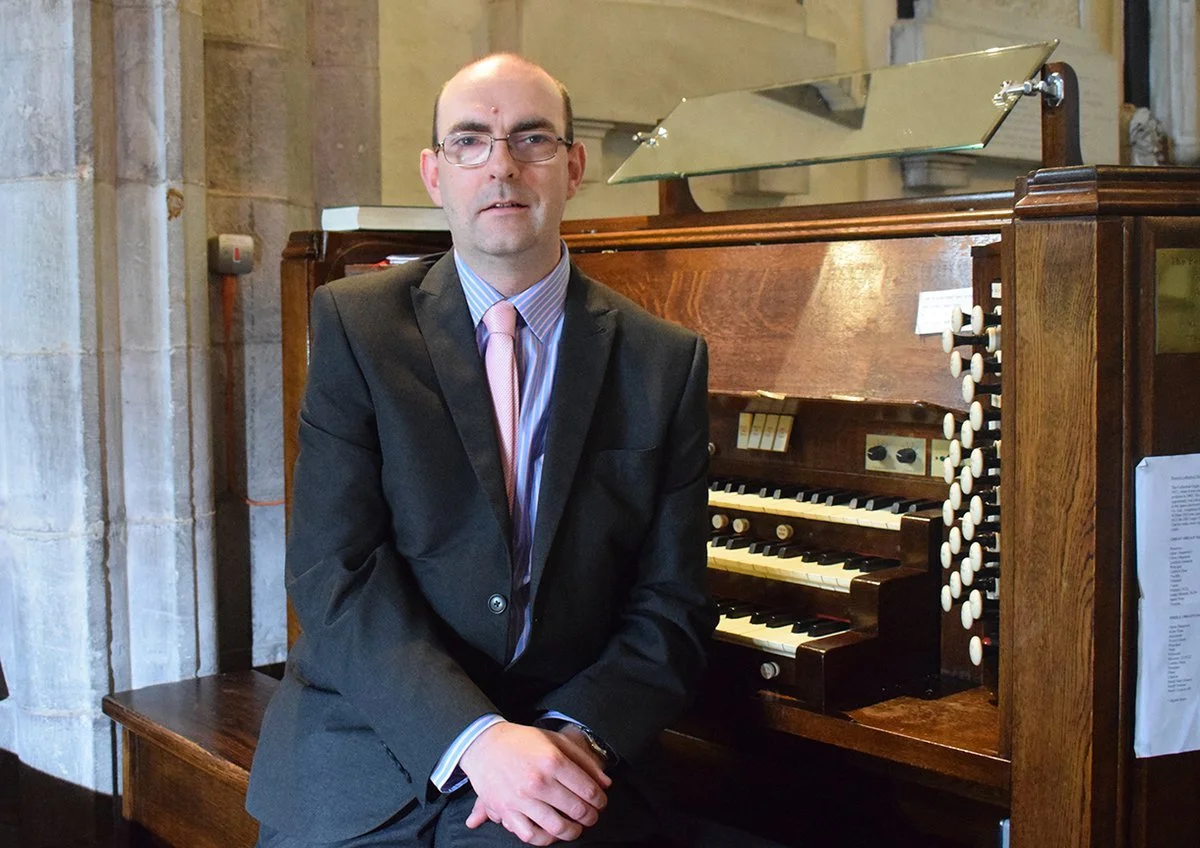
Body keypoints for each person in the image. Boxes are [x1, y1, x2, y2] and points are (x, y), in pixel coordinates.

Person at [246, 53, 713, 847]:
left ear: (573, 166)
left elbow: (672, 604)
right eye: (469, 141)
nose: (500, 165)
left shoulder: (662, 360)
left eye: (531, 139)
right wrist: (476, 738)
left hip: (556, 746)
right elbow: (335, 570)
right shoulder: (358, 327)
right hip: (366, 742)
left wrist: (574, 736)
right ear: (435, 173)